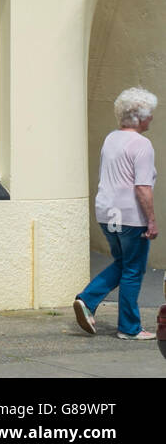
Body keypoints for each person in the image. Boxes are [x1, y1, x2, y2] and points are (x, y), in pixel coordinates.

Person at [74, 87, 159, 339]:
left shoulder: (111, 138)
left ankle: (87, 300)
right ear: (140, 116)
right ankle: (129, 328)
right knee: (133, 269)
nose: (152, 118)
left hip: (106, 213)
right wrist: (151, 221)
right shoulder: (142, 144)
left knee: (123, 263)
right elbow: (142, 187)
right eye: (150, 113)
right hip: (131, 215)